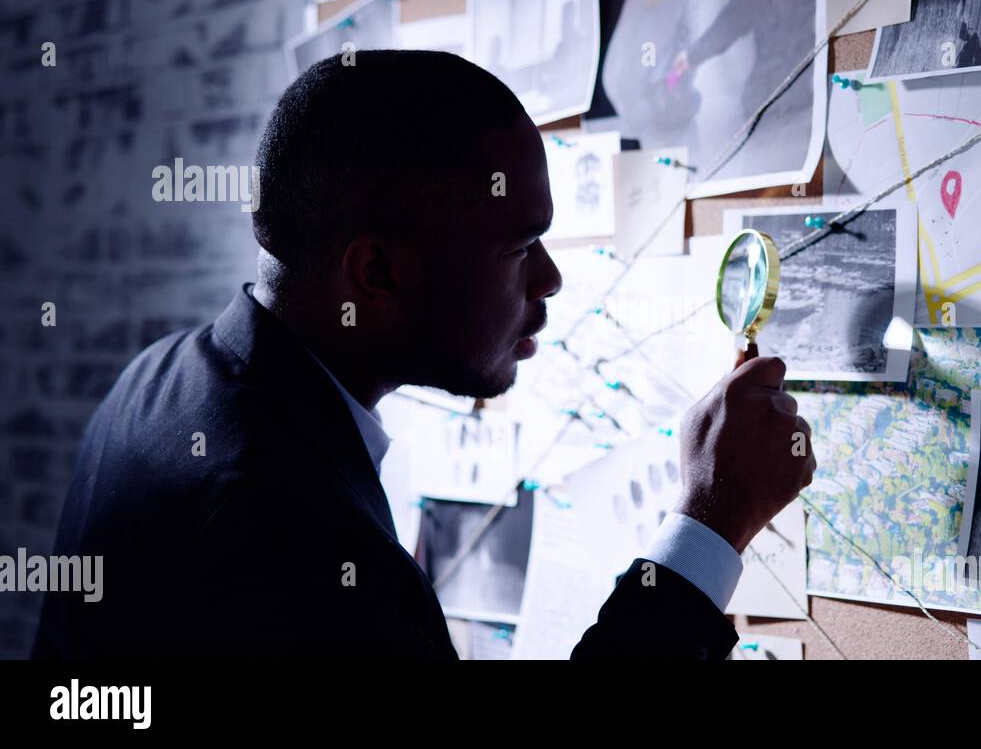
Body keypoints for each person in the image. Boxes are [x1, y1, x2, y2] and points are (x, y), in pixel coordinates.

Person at [31, 51, 816, 660]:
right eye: (519, 248)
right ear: (376, 274)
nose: (551, 277)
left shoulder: (158, 379)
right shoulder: (293, 533)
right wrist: (711, 522)